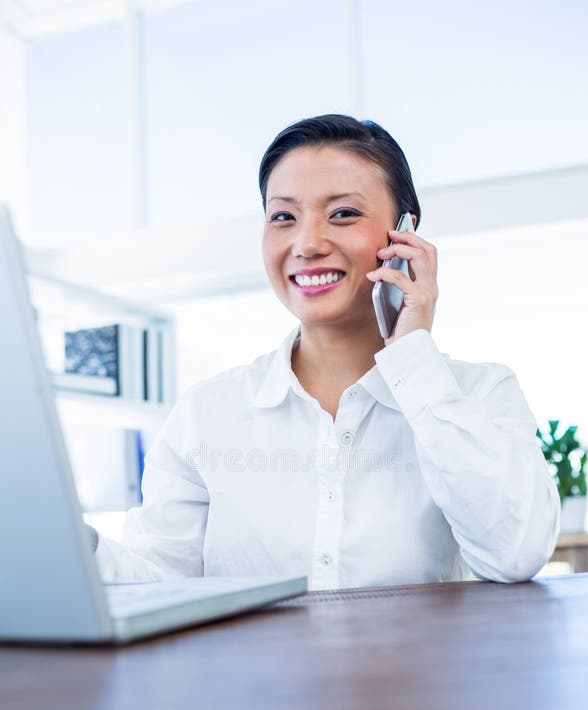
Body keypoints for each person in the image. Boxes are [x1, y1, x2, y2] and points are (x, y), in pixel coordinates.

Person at [91, 114, 560, 589]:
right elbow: (157, 578)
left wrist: (413, 354)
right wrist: (73, 543)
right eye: (283, 217)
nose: (307, 244)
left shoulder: (478, 392)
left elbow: (515, 554)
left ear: (405, 233)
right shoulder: (207, 412)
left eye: (343, 214)